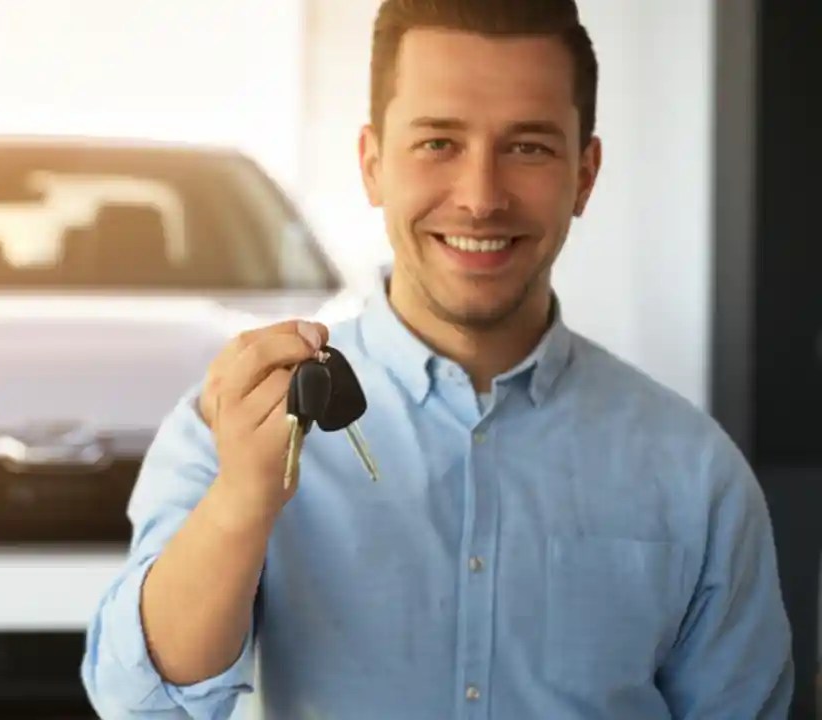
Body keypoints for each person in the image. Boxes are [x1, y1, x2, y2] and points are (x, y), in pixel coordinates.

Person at [80, 0, 794, 717]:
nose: (481, 198)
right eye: (438, 144)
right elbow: (141, 706)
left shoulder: (696, 473)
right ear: (372, 165)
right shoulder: (236, 424)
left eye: (528, 147)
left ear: (584, 175)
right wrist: (242, 502)